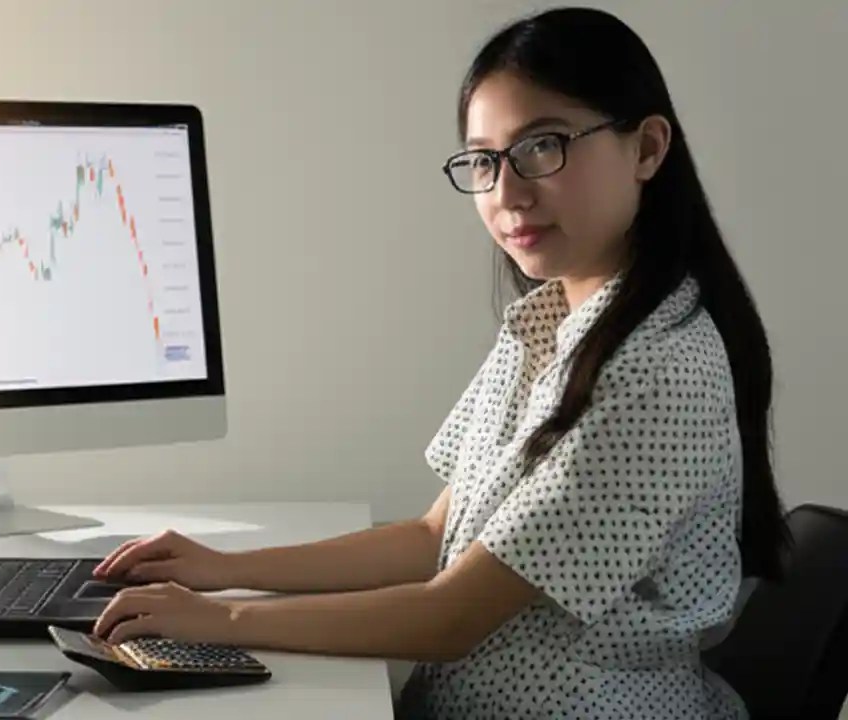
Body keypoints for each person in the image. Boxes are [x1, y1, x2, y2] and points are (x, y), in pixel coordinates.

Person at [89, 6, 791, 718]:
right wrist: (223, 571)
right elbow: (435, 540)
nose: (507, 193)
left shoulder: (660, 369)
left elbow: (452, 617)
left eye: (542, 147)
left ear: (646, 148)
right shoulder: (551, 321)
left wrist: (225, 622)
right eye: (484, 160)